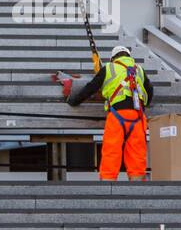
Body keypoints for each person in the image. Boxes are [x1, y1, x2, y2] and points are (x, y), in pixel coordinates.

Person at [65, 45, 153, 181]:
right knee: (137, 156)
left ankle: (107, 189)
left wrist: (74, 101)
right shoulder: (139, 70)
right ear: (128, 56)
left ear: (113, 58)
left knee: (111, 152)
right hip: (138, 116)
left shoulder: (109, 68)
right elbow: (150, 91)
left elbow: (91, 87)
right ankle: (138, 190)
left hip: (117, 116)